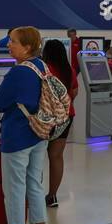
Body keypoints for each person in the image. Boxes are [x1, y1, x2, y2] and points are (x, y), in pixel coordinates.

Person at [0, 26, 57, 224]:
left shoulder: (18, 72)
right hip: (39, 134)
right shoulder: (41, 66)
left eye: (13, 42)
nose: (9, 44)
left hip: (17, 136)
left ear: (27, 47)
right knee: (35, 185)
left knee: (15, 188)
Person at [40, 38, 77, 208]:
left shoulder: (44, 69)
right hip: (66, 117)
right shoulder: (68, 69)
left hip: (45, 118)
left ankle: (33, 194)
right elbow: (75, 91)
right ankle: (52, 195)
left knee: (36, 156)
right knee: (56, 156)